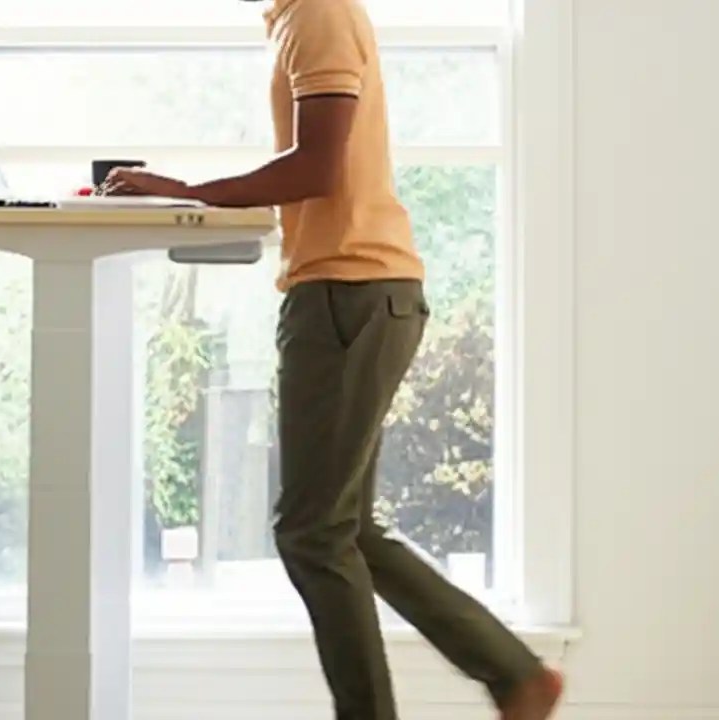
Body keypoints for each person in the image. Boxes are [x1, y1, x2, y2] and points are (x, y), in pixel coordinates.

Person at [100, 0, 564, 718]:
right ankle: (515, 674)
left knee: (312, 532)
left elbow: (319, 165)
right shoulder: (297, 14)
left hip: (348, 294)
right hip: (355, 291)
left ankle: (494, 680)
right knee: (344, 529)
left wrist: (190, 192)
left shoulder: (317, 10)